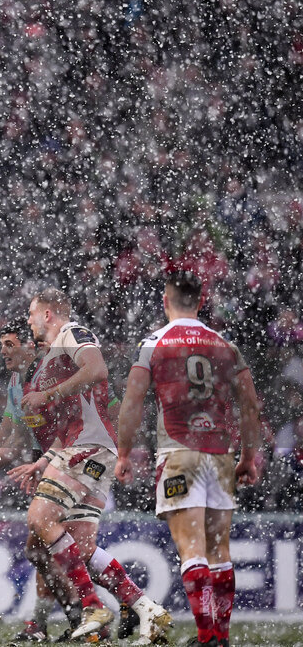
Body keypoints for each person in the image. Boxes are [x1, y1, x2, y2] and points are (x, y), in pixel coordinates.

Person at [11, 288, 172, 644]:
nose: (28, 320)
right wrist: (45, 460)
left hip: (89, 448)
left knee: (39, 519)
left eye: (31, 313)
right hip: (86, 448)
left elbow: (97, 370)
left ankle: (90, 607)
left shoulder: (72, 333)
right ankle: (145, 608)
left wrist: (47, 396)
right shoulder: (54, 360)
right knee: (63, 548)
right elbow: (74, 416)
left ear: (49, 314)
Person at [116, 272, 262, 647]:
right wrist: (248, 456)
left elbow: (133, 402)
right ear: (200, 302)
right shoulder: (224, 344)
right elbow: (249, 404)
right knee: (219, 550)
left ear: (166, 301)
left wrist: (123, 452)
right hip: (219, 453)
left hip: (179, 452)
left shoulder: (154, 342)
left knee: (191, 548)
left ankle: (204, 636)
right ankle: (220, 636)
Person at [0, 318, 80, 644]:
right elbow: (12, 431)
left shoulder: (52, 373)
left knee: (66, 546)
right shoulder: (17, 382)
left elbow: (74, 426)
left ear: (32, 346)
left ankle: (100, 611)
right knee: (40, 548)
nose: (3, 351)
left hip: (77, 460)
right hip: (52, 464)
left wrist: (46, 460)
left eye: (10, 344)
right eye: (1, 344)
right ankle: (75, 616)